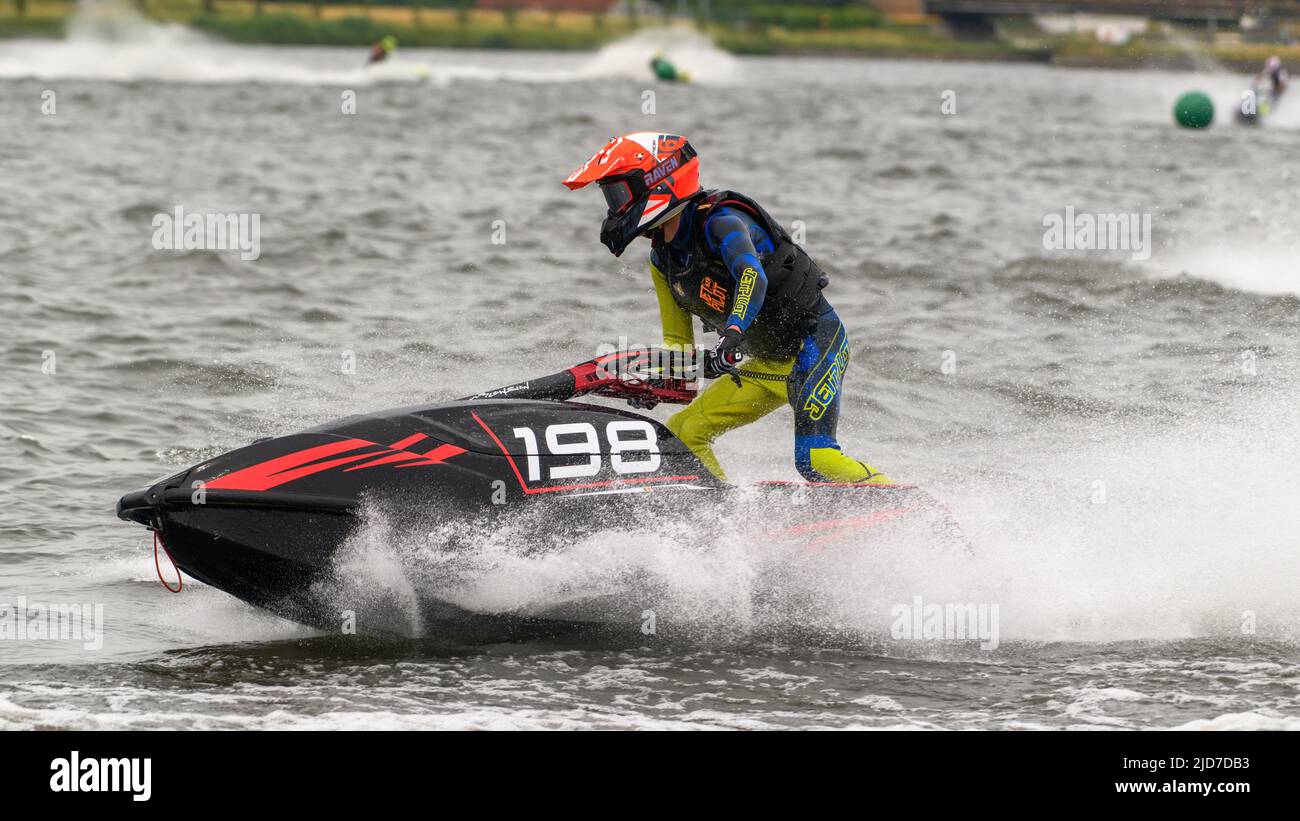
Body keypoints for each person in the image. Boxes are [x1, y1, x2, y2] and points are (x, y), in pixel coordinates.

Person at [563, 132, 891, 485]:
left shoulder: (722, 221)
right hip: (767, 365)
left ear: (661, 181)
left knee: (815, 459)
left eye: (619, 194)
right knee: (683, 434)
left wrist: (732, 334)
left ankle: (904, 504)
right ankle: (725, 518)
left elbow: (753, 276)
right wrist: (655, 383)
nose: (615, 209)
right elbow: (679, 346)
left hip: (815, 347)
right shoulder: (663, 261)